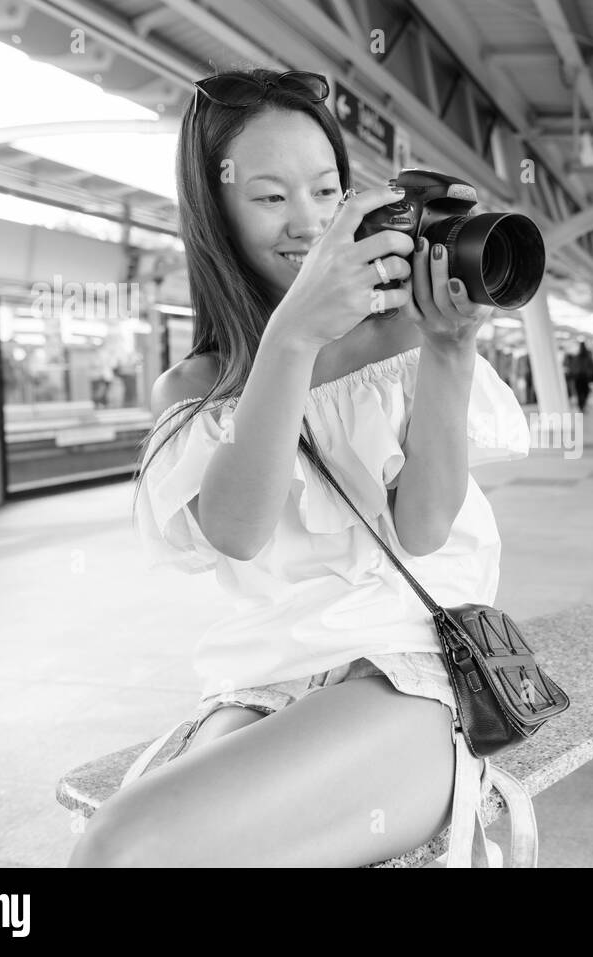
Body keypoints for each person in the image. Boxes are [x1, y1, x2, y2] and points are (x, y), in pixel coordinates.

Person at [69, 68, 531, 868]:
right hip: (260, 684)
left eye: (327, 190)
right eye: (270, 197)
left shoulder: (399, 338)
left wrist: (450, 349)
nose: (309, 223)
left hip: (407, 674)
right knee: (127, 846)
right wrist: (291, 338)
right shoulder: (194, 387)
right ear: (214, 214)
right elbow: (237, 532)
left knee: (120, 850)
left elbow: (424, 529)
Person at [571, 340, 593, 412]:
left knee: (583, 391)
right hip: (581, 377)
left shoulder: (585, 357)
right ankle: (581, 405)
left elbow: (592, 367)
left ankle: (582, 405)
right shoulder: (580, 357)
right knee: (582, 392)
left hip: (582, 377)